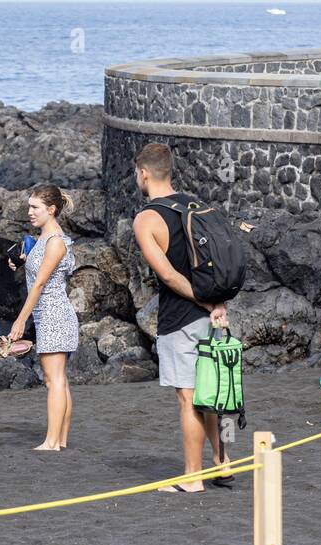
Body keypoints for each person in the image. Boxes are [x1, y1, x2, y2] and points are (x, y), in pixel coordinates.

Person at [130, 143, 230, 493]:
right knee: (208, 395)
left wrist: (203, 302)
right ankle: (221, 462)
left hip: (181, 316)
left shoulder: (146, 218)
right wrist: (216, 302)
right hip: (213, 313)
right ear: (169, 170)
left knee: (188, 398)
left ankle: (192, 477)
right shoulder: (195, 204)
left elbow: (170, 276)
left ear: (143, 173)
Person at [8, 184, 77, 451]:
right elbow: (34, 259)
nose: (29, 212)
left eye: (35, 207)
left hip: (54, 315)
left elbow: (39, 285)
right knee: (57, 379)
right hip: (49, 314)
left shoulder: (56, 242)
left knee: (54, 380)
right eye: (29, 206)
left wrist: (20, 321)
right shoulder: (44, 239)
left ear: (51, 210)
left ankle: (52, 441)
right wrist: (19, 260)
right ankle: (60, 440)